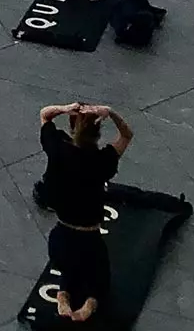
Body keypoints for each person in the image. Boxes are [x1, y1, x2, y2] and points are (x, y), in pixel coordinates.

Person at [37, 102, 133, 323]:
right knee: (99, 280)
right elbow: (127, 135)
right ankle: (89, 305)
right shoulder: (102, 161)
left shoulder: (58, 149)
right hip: (89, 239)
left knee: (69, 269)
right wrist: (111, 112)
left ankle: (63, 296)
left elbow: (44, 115)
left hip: (60, 239)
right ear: (97, 133)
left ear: (72, 128)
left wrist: (65, 108)